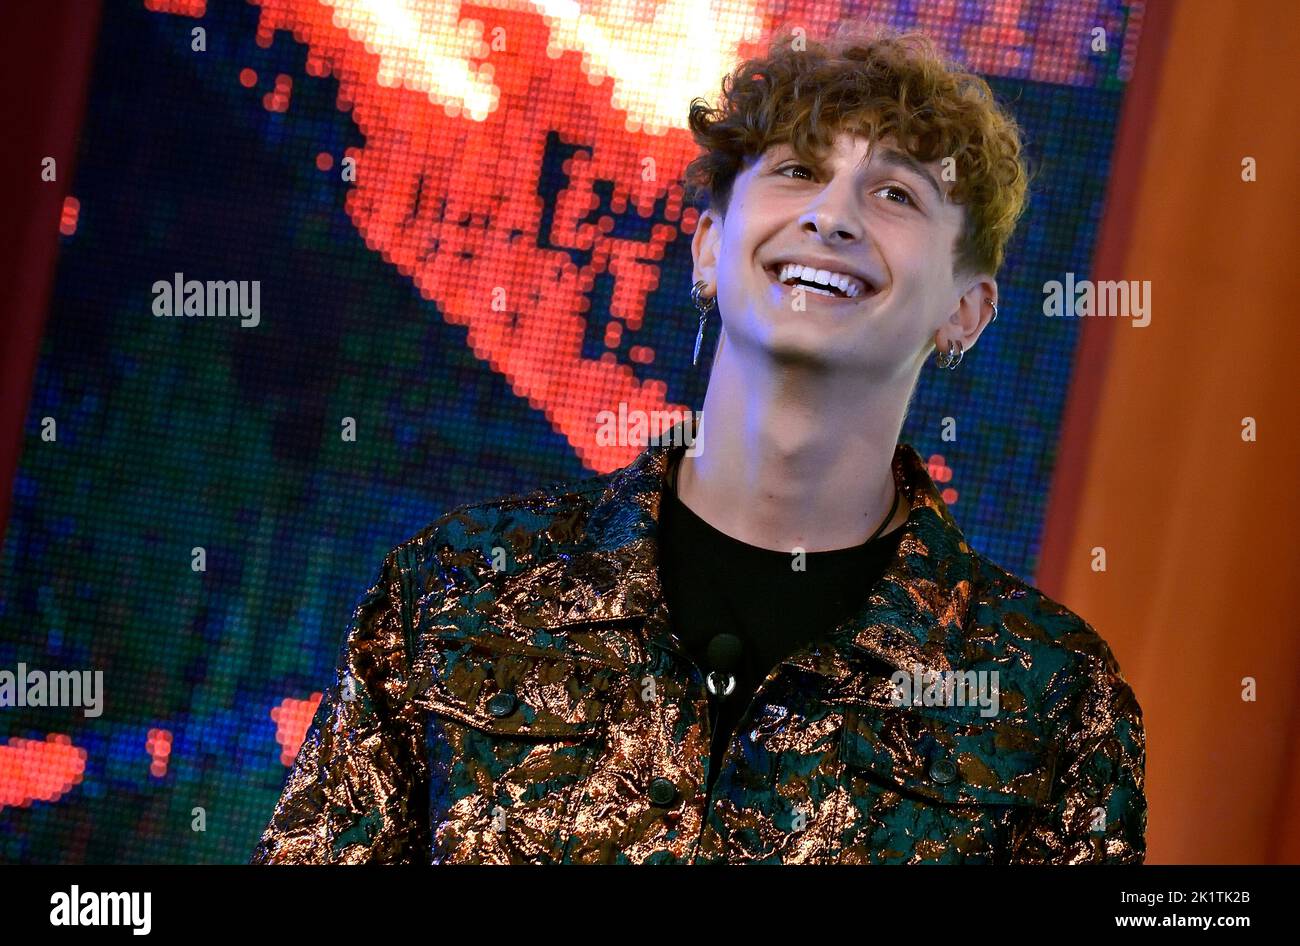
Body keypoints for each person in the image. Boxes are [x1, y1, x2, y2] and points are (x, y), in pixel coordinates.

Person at [250, 25, 1146, 864]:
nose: (833, 218)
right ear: (709, 248)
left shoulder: (1050, 702)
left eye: (896, 192)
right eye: (797, 170)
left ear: (966, 308)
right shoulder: (450, 596)